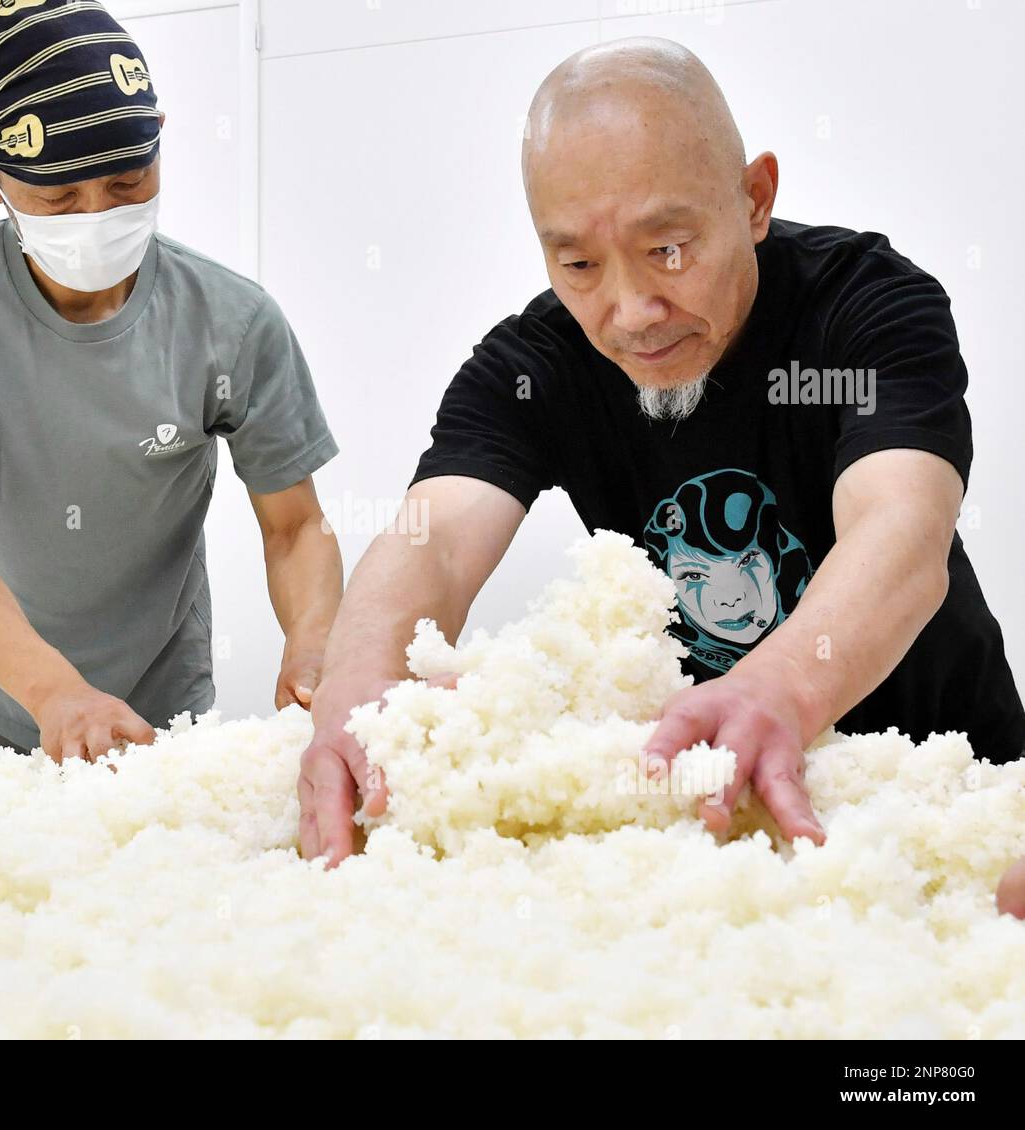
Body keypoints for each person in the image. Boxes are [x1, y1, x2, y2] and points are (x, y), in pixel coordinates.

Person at [296, 37, 1025, 865]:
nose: (631, 310)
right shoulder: (532, 368)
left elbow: (901, 526)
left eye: (668, 250)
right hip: (726, 815)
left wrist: (780, 686)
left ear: (754, 198)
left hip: (946, 790)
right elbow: (438, 537)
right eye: (577, 263)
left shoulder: (865, 306)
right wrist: (358, 687)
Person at [0, 0, 341, 762]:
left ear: (161, 143)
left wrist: (314, 642)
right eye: (59, 199)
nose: (98, 216)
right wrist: (54, 693)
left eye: (126, 182)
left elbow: (296, 526)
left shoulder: (231, 321)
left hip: (161, 707)